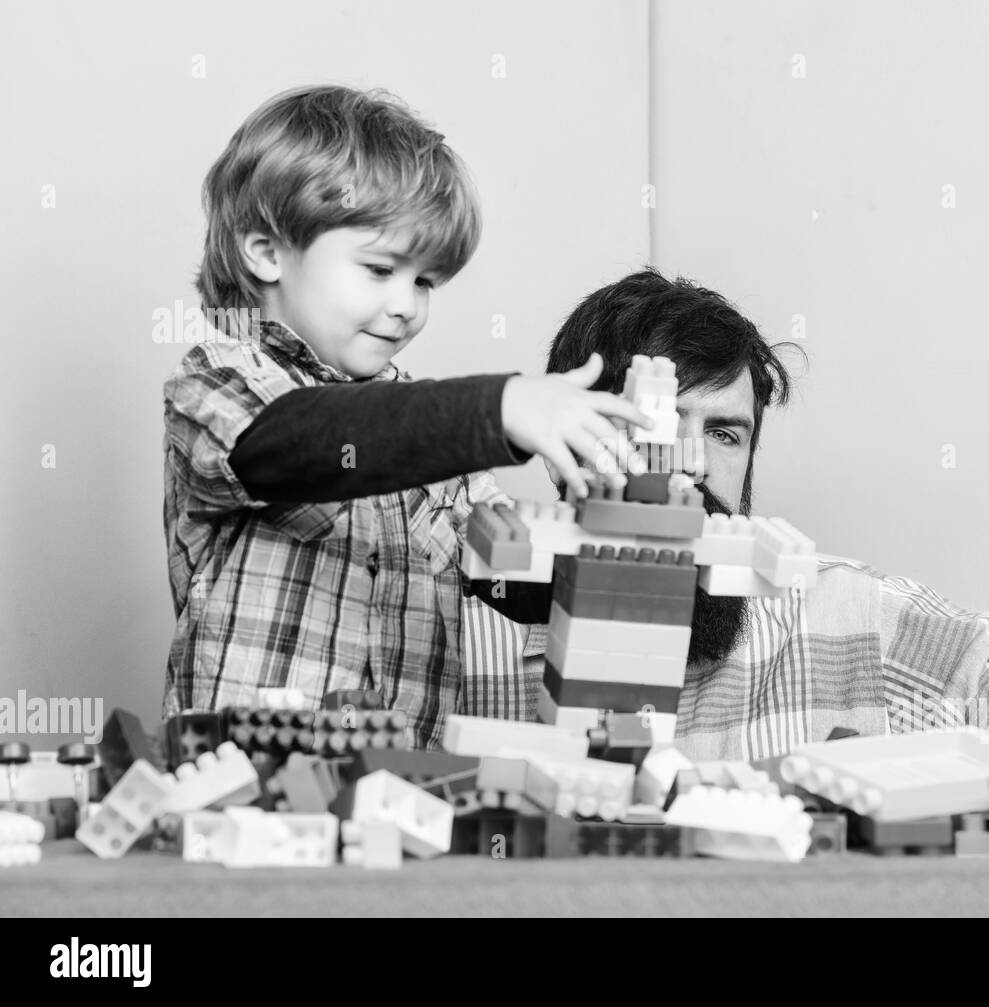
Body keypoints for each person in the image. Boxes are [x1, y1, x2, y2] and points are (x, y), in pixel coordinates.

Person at [461, 269, 989, 768]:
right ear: (566, 436)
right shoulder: (466, 637)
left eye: (727, 433)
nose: (695, 467)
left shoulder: (845, 616)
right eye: (663, 429)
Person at [163, 84, 651, 746]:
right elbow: (296, 440)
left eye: (424, 281)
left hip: (397, 793)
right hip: (249, 790)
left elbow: (509, 578)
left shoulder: (433, 446)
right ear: (267, 251)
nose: (407, 306)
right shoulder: (217, 386)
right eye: (380, 268)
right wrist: (500, 405)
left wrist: (615, 543)